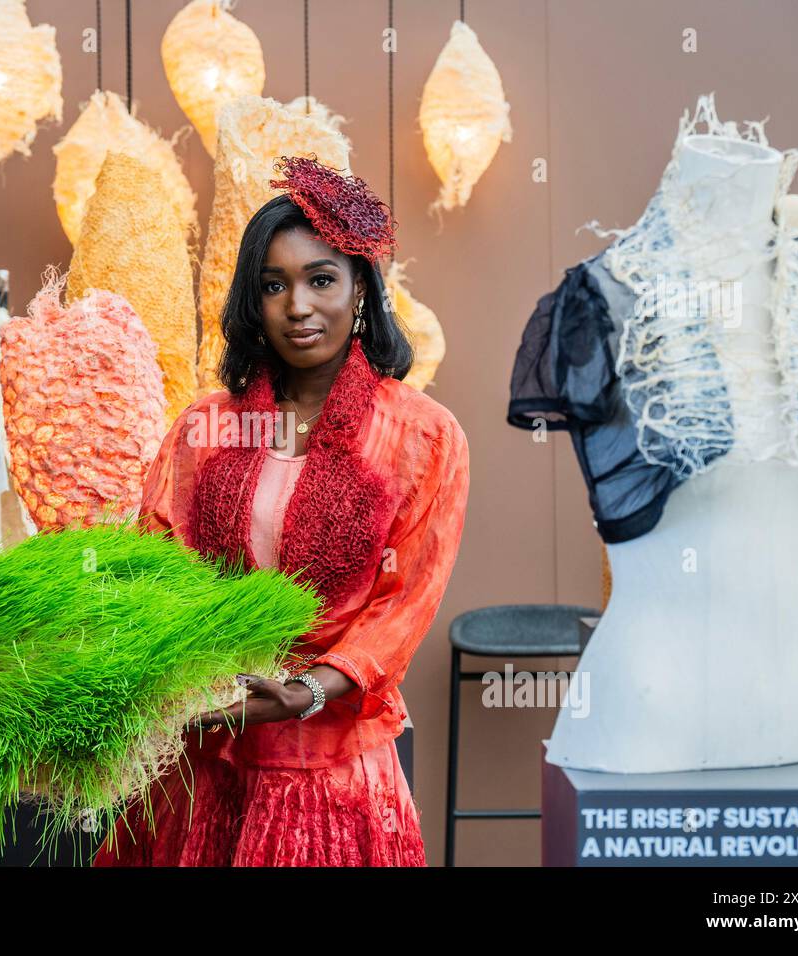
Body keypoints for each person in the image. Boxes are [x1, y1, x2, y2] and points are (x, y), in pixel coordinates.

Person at [92, 156, 470, 866]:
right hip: (204, 749)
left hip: (329, 764)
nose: (298, 306)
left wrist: (305, 691)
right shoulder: (205, 427)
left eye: (321, 279)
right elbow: (156, 567)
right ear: (252, 303)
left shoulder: (423, 437)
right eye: (274, 285)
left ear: (361, 288)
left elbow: (403, 606)